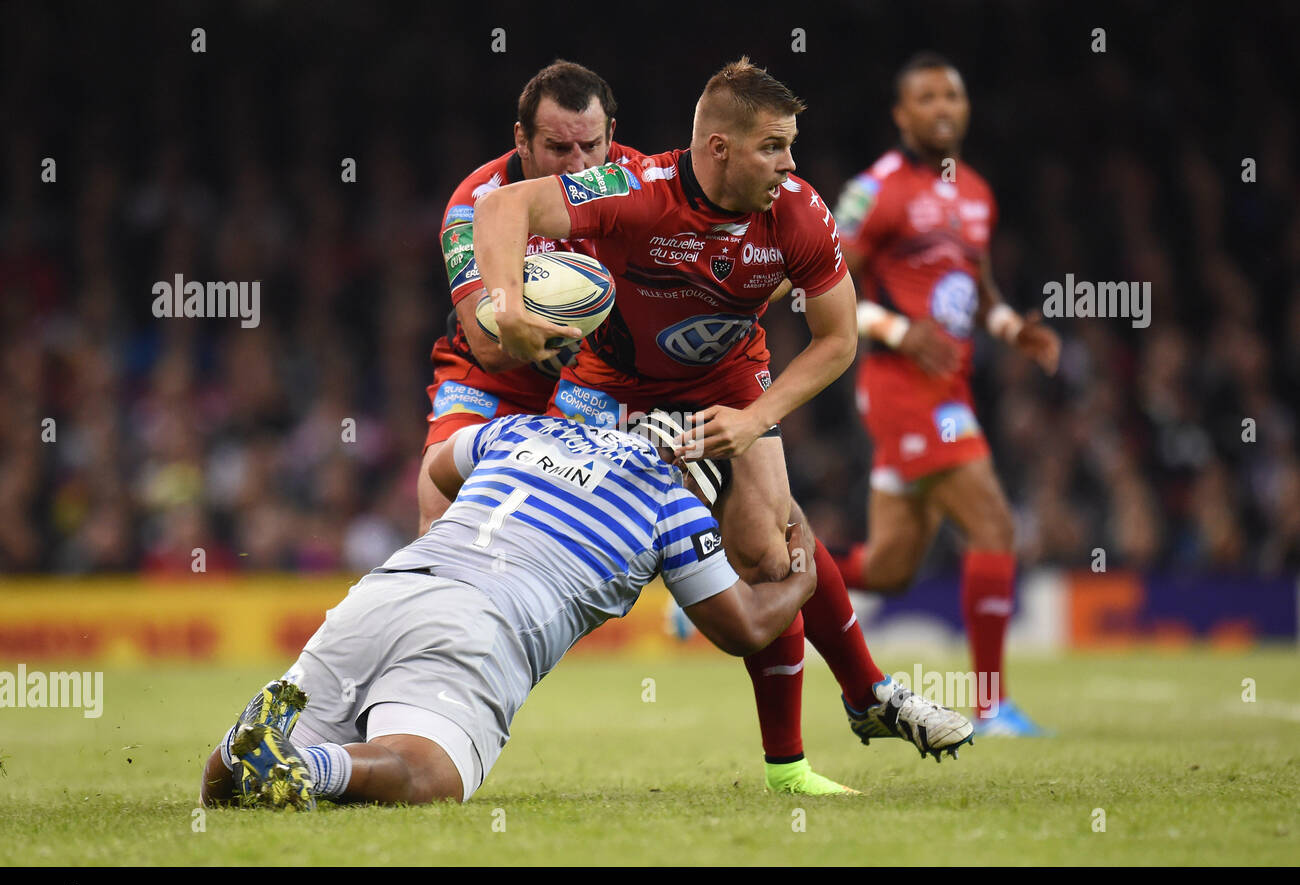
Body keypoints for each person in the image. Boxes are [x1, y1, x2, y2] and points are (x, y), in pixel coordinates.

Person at [472, 57, 973, 792]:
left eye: (790, 144)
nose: (789, 162)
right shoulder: (634, 192)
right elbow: (501, 209)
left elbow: (838, 339)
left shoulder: (800, 212)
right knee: (546, 554)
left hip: (726, 383)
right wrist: (509, 307)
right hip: (607, 388)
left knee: (771, 552)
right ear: (718, 150)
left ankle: (796, 764)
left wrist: (757, 418)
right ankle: (868, 693)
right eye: (773, 145)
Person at [199, 412, 818, 808]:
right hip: (481, 623)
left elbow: (439, 466)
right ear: (702, 479)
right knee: (428, 773)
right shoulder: (671, 503)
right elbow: (746, 628)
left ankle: (247, 746)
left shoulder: (524, 429)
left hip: (386, 587)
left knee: (221, 793)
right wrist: (803, 577)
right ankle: (309, 765)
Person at [830, 52, 1062, 735]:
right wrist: (900, 332)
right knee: (993, 524)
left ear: (965, 108)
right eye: (926, 98)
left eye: (952, 97)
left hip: (947, 385)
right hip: (904, 387)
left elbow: (977, 290)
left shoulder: (978, 193)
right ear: (902, 114)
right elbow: (828, 289)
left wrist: (1011, 326)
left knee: (891, 567)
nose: (941, 108)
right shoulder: (875, 191)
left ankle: (758, 580)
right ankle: (991, 706)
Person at [419, 60, 643, 535]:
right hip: (489, 381)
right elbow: (486, 347)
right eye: (558, 148)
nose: (579, 166)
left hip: (600, 381)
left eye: (592, 146)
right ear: (522, 139)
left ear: (612, 134)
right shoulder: (473, 203)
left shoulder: (641, 182)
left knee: (566, 526)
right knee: (438, 500)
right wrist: (540, 320)